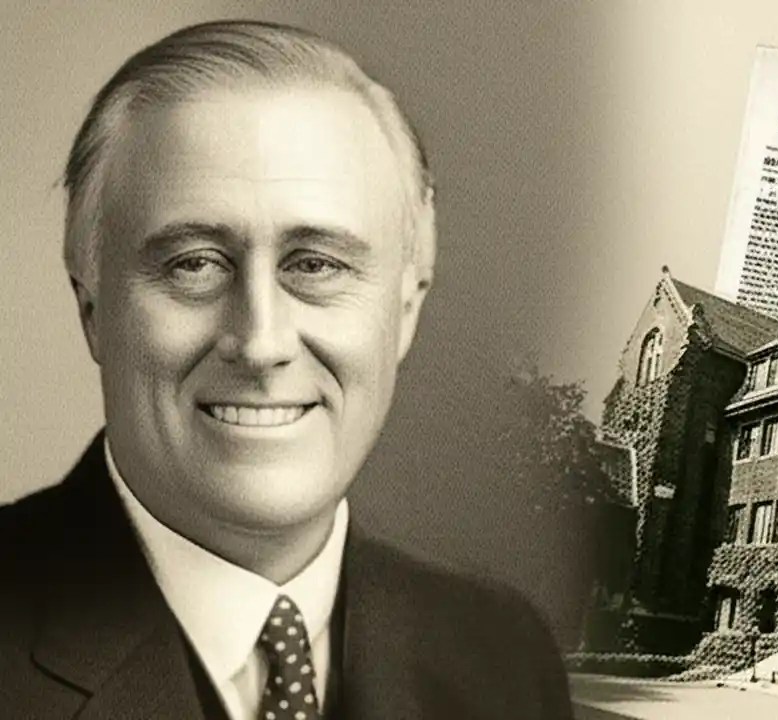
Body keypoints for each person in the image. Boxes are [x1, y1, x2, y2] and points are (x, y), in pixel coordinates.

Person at [0, 20, 572, 719]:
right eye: (194, 264)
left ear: (407, 308)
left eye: (316, 265)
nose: (261, 342)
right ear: (92, 304)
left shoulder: (505, 658)